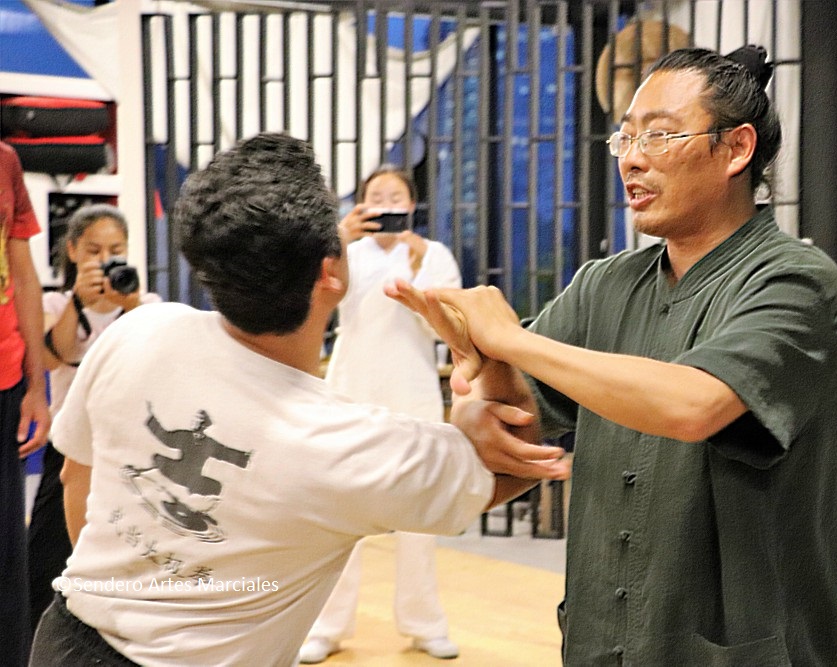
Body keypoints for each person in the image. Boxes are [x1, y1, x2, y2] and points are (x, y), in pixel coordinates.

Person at [388, 45, 837, 665]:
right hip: (602, 641)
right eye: (625, 139)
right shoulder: (603, 285)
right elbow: (523, 418)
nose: (632, 159)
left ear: (737, 149)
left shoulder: (796, 282)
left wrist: (509, 340)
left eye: (659, 137)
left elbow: (694, 405)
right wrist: (484, 373)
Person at [29, 133, 568, 667]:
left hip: (64, 634)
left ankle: (422, 622)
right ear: (330, 270)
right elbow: (520, 460)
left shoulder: (140, 328)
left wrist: (145, 597)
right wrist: (492, 350)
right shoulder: (351, 446)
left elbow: (77, 483)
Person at [298, 165, 463, 663]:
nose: (386, 203)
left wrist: (417, 271)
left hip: (413, 391)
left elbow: (447, 329)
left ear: (411, 205)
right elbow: (315, 306)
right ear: (363, 203)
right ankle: (328, 626)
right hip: (351, 388)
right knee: (341, 511)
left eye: (395, 195)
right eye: (375, 196)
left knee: (420, 511)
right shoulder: (344, 250)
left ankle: (423, 622)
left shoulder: (434, 256)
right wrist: (337, 242)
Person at [29, 204, 162, 630]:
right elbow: (56, 358)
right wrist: (77, 303)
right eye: (93, 250)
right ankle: (39, 632)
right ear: (72, 251)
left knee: (129, 548)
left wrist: (131, 303)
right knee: (49, 552)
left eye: (115, 249)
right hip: (68, 448)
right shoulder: (52, 303)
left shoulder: (149, 304)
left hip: (131, 448)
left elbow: (152, 357)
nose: (105, 260)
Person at [1, 139, 51, 667]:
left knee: (6, 559)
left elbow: (23, 275)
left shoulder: (6, 161)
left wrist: (37, 387)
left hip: (6, 381)